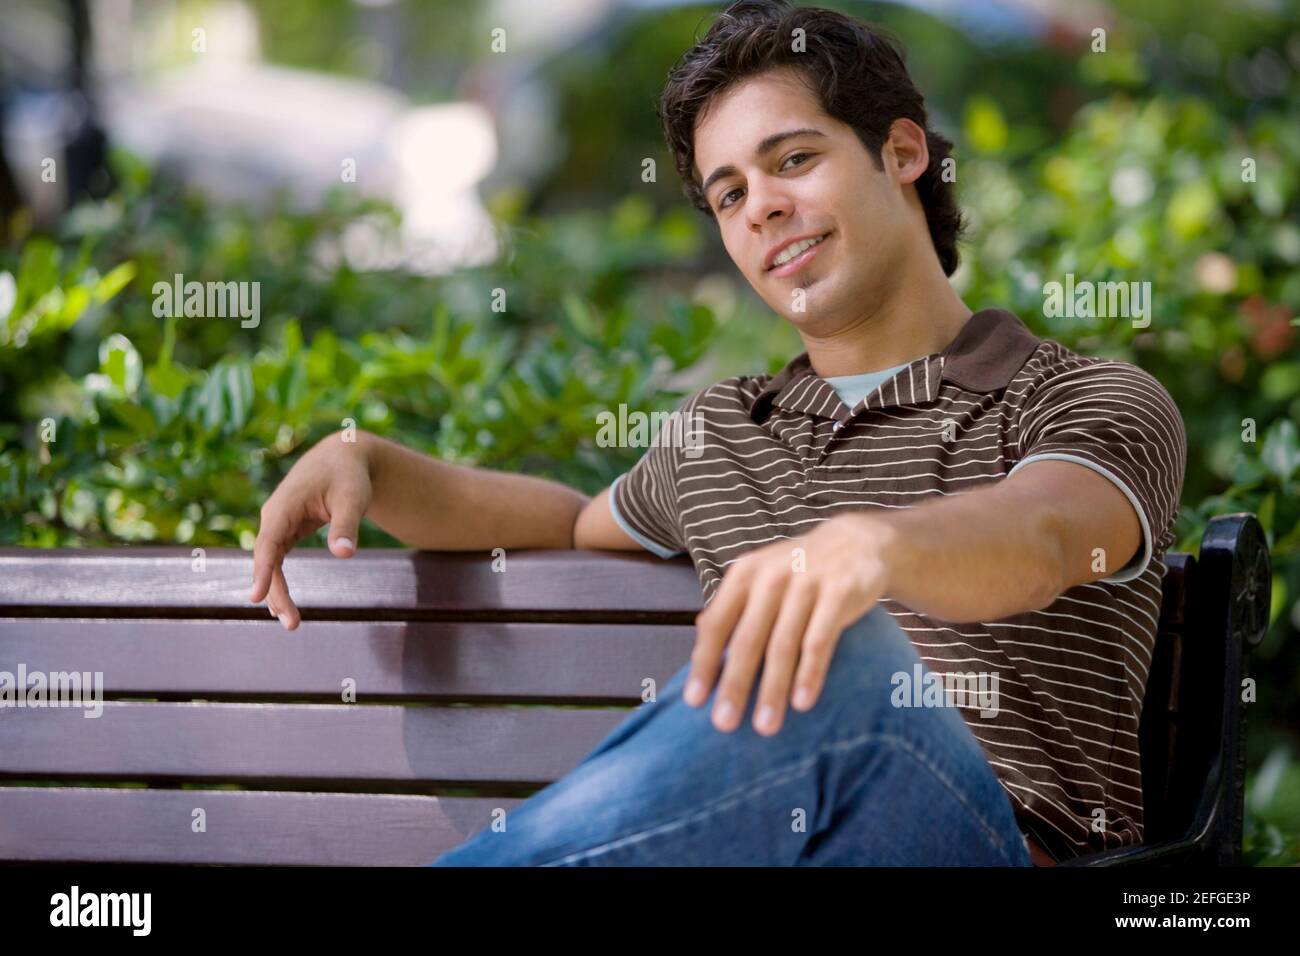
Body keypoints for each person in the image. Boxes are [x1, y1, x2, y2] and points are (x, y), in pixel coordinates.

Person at [251, 0, 1186, 866]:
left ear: (901, 153)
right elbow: (574, 523)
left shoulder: (1082, 399)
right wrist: (370, 459)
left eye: (792, 161)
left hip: (988, 844)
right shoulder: (724, 431)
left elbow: (1048, 534)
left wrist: (869, 547)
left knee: (842, 662)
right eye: (729, 193)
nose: (762, 207)